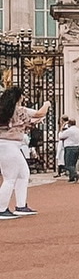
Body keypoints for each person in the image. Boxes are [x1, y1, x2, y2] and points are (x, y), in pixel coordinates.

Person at [0, 86, 49, 218]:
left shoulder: (4, 111)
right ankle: (1, 208)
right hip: (9, 145)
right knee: (9, 178)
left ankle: (21, 205)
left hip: (8, 145)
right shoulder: (20, 110)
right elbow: (40, 113)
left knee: (23, 174)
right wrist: (46, 104)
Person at [58, 118, 79, 182]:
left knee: (68, 164)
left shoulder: (69, 131)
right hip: (76, 147)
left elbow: (60, 136)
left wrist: (61, 127)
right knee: (73, 164)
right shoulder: (78, 130)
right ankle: (71, 177)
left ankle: (75, 175)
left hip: (69, 148)